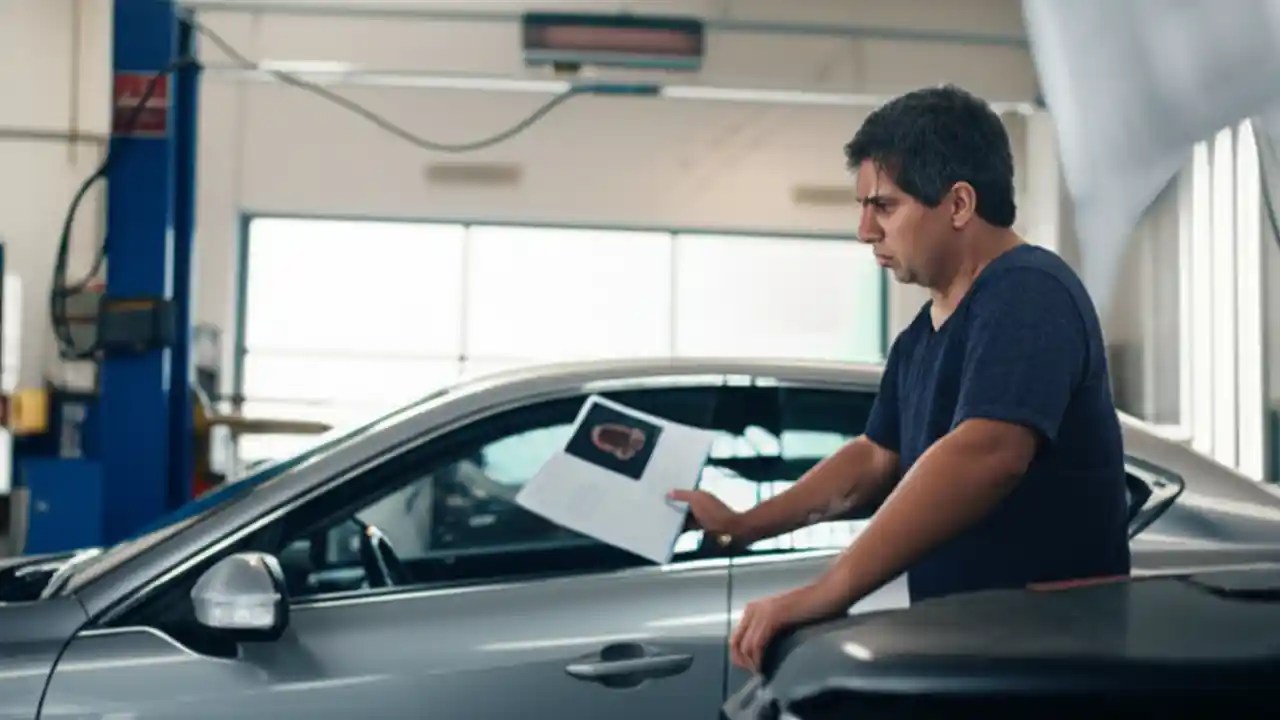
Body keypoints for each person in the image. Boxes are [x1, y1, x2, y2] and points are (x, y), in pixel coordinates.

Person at [670, 85, 1132, 673]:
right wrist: (742, 525)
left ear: (959, 204)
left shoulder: (1028, 291)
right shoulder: (920, 337)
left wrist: (827, 592)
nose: (865, 230)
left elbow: (987, 453)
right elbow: (872, 462)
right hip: (968, 653)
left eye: (884, 206)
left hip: (1049, 663)